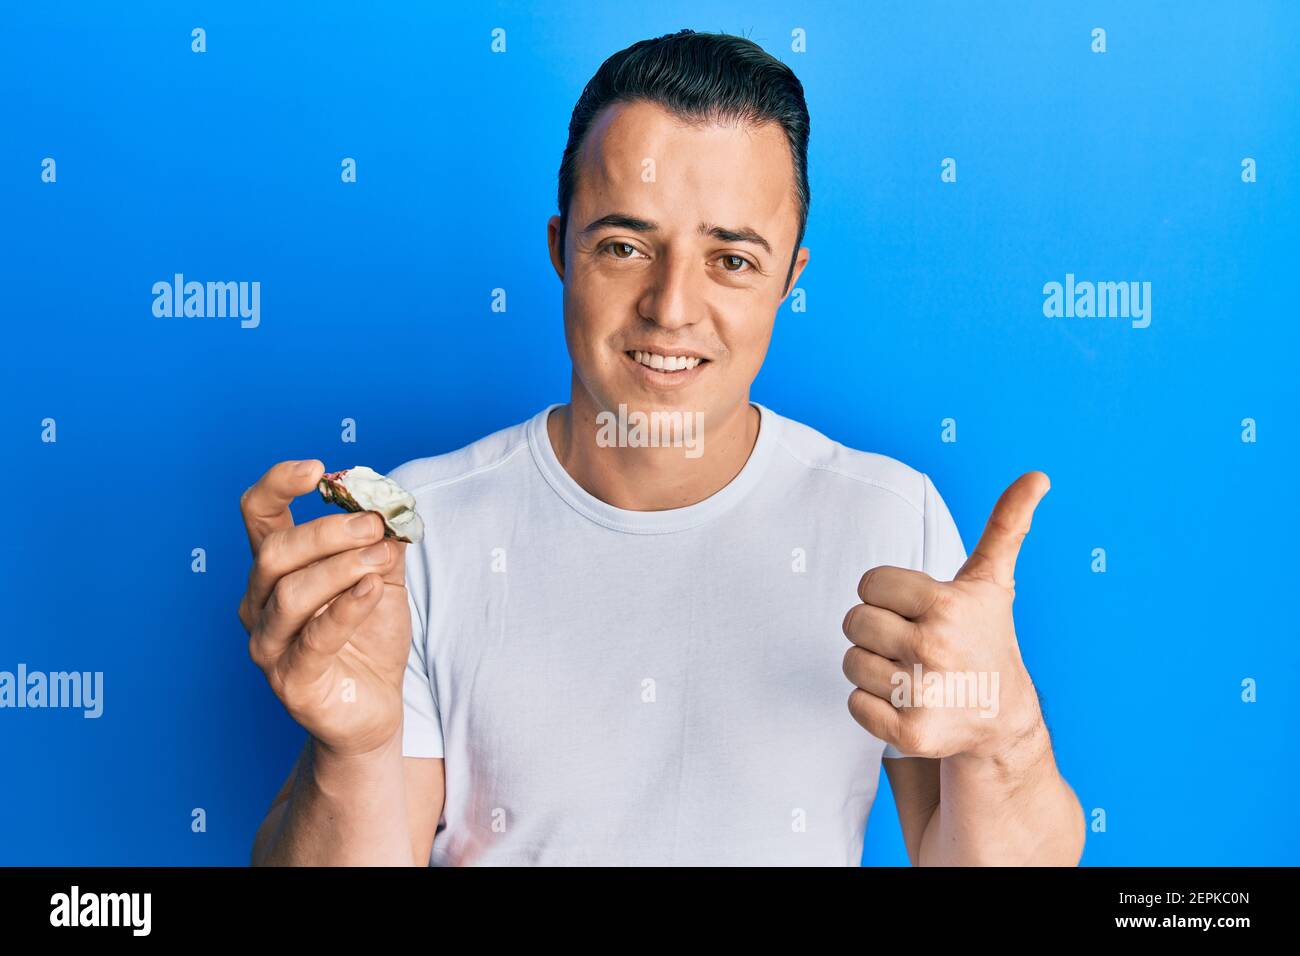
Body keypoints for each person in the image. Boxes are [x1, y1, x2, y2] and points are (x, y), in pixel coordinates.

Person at [239, 29, 1085, 866]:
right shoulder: (417, 535)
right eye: (623, 246)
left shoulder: (890, 520)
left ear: (790, 278)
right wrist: (351, 752)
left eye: (732, 259)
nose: (671, 307)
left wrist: (1005, 727)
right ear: (559, 251)